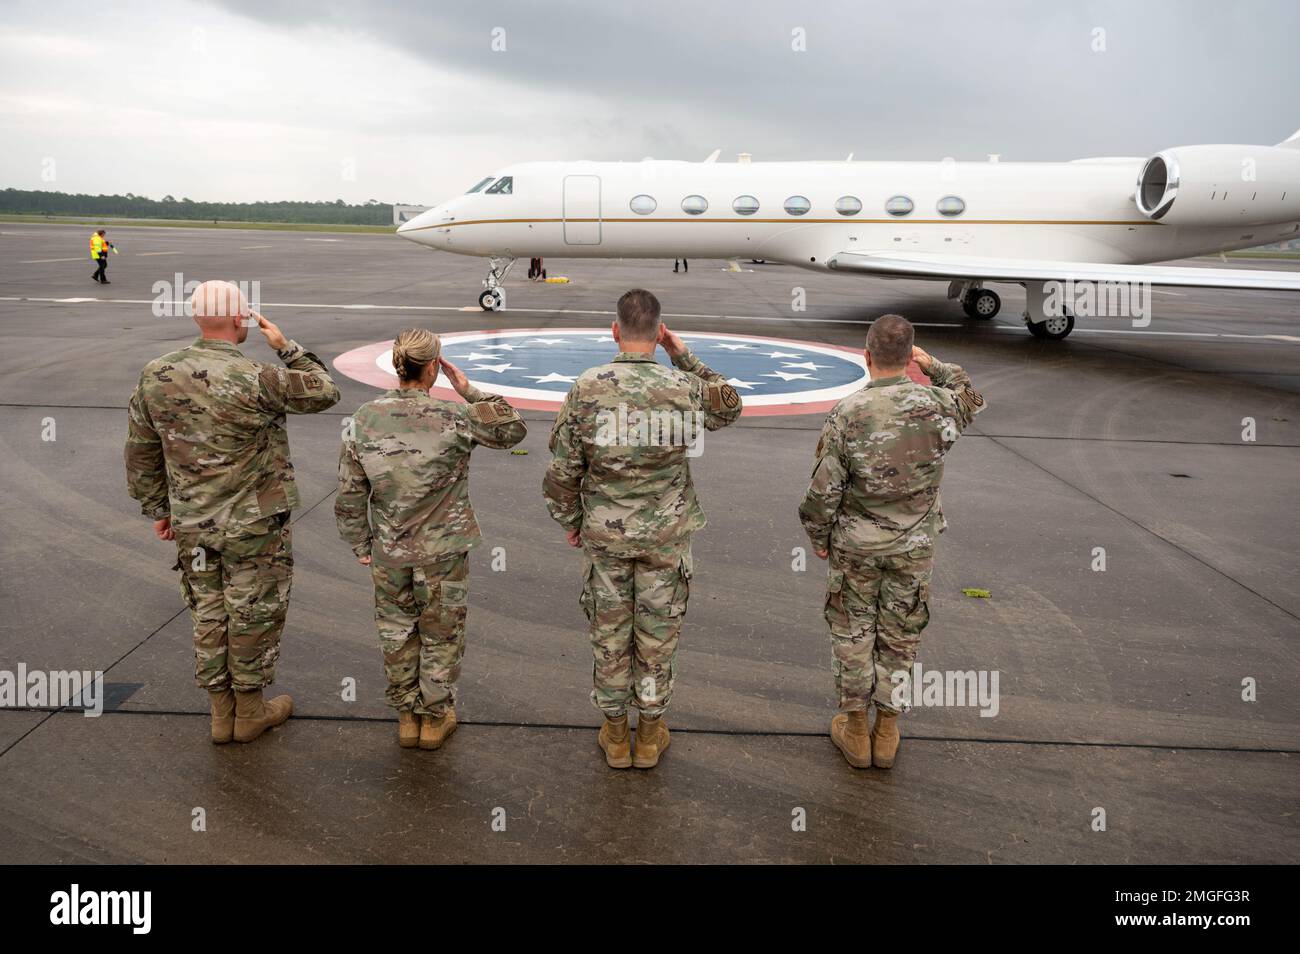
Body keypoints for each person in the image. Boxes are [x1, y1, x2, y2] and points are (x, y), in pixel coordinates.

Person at [125, 280, 340, 745]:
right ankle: (249, 710)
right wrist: (288, 347)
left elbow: (142, 450)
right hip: (254, 522)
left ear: (197, 318)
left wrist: (158, 508)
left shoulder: (156, 373)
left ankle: (221, 715)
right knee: (253, 610)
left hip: (192, 520)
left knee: (207, 610)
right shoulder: (259, 376)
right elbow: (324, 392)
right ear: (242, 320)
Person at [544, 289, 742, 769]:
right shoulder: (684, 388)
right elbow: (730, 406)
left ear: (615, 331)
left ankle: (615, 733)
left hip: (606, 535)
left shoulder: (587, 386)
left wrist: (573, 522)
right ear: (659, 333)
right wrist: (684, 357)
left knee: (610, 634)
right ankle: (649, 733)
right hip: (665, 536)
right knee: (657, 633)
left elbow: (563, 471)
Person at [798, 314, 985, 769]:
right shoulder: (939, 404)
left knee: (853, 632)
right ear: (909, 358)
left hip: (857, 545)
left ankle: (856, 729)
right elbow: (973, 399)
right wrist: (933, 365)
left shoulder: (849, 413)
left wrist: (820, 535)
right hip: (913, 545)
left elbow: (824, 491)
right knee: (901, 635)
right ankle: (888, 729)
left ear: (866, 356)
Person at [335, 329, 526, 750]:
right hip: (443, 550)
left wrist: (360, 543)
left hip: (390, 548)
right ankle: (435, 718)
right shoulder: (455, 418)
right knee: (441, 632)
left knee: (397, 631)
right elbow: (513, 431)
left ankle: (407, 717)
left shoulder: (364, 418)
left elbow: (350, 493)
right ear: (435, 368)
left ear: (398, 365)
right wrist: (470, 391)